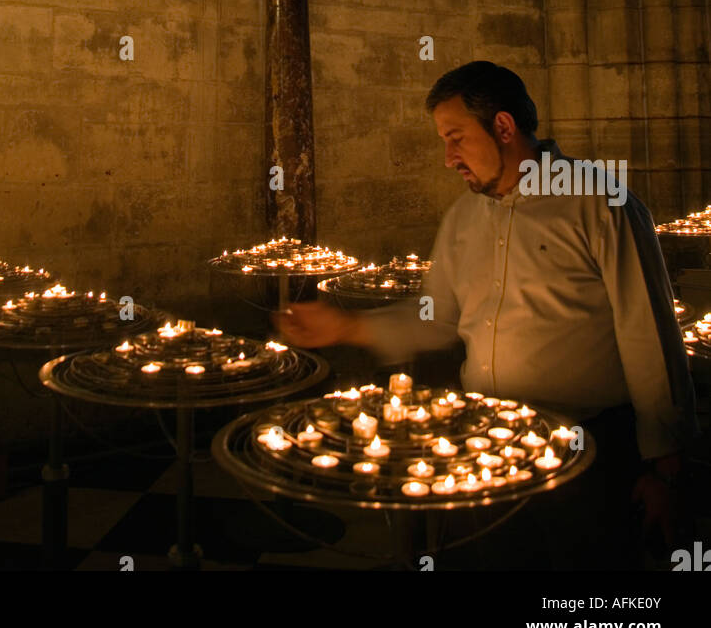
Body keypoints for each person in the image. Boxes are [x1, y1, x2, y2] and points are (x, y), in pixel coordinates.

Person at [276, 60, 697, 568]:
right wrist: (347, 326)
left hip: (588, 452)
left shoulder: (598, 204)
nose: (448, 158)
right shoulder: (463, 219)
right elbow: (436, 318)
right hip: (484, 447)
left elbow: (649, 336)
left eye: (456, 138)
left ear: (502, 127)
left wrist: (666, 467)